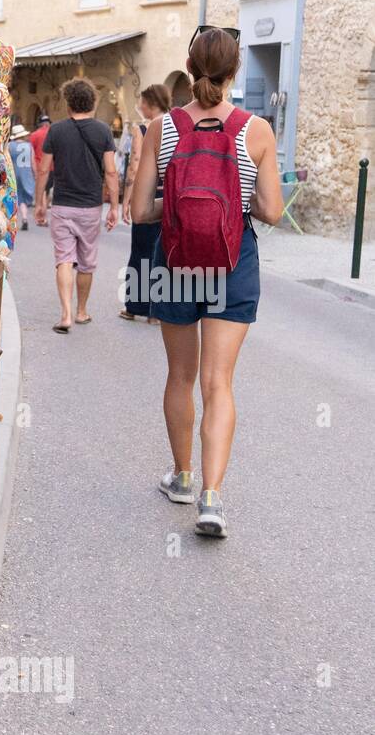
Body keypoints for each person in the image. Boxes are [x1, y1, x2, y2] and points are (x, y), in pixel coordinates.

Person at [130, 27, 283, 538]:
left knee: (181, 377)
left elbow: (139, 211)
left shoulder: (162, 127)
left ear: (189, 67)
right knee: (220, 384)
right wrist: (239, 205)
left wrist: (176, 209)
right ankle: (212, 500)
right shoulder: (256, 130)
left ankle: (181, 478)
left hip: (174, 262)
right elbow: (273, 212)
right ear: (235, 70)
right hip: (233, 261)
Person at [34, 80, 119, 332]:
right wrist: (113, 206)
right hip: (91, 207)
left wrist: (40, 202)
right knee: (86, 261)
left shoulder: (56, 131)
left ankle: (66, 314)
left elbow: (43, 169)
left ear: (68, 102)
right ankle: (81, 311)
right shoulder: (103, 131)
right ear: (92, 102)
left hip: (62, 205)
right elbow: (111, 172)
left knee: (64, 259)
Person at [119, 83, 172, 323]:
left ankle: (135, 306)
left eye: (142, 102)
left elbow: (136, 162)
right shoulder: (177, 126)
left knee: (140, 252)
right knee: (162, 253)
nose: (139, 106)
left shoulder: (144, 128)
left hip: (147, 195)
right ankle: (156, 311)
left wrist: (126, 199)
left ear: (151, 103)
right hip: (169, 197)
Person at [10, 123, 35, 230]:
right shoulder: (29, 146)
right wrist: (36, 175)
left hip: (15, 173)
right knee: (24, 198)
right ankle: (24, 218)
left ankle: (13, 219)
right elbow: (33, 162)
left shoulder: (10, 146)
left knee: (16, 196)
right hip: (27, 173)